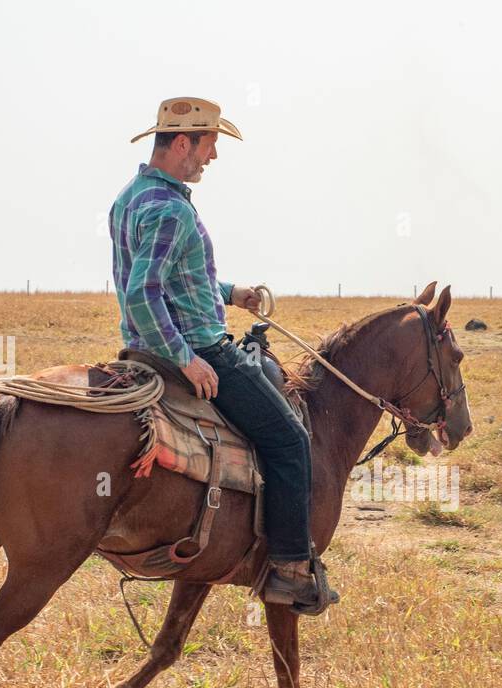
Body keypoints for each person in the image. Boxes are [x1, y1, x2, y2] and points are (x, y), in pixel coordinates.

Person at [110, 97, 336, 614]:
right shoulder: (170, 209)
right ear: (183, 142)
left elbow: (177, 277)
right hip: (195, 349)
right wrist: (187, 358)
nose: (212, 156)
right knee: (289, 439)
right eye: (209, 144)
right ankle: (288, 569)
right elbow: (144, 292)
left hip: (140, 348)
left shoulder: (133, 196)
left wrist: (233, 293)